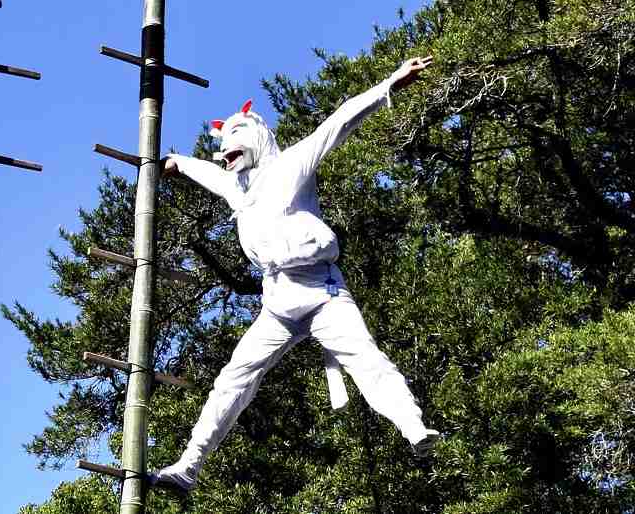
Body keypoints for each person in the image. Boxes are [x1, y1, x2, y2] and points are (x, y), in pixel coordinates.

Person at [153, 56, 439, 492]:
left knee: (366, 358)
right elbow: (209, 172)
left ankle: (414, 427)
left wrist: (393, 83)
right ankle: (189, 465)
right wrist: (177, 161)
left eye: (232, 145)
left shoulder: (292, 165)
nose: (226, 157)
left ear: (253, 139)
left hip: (324, 294)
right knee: (234, 379)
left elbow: (341, 120)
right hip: (278, 303)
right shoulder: (237, 186)